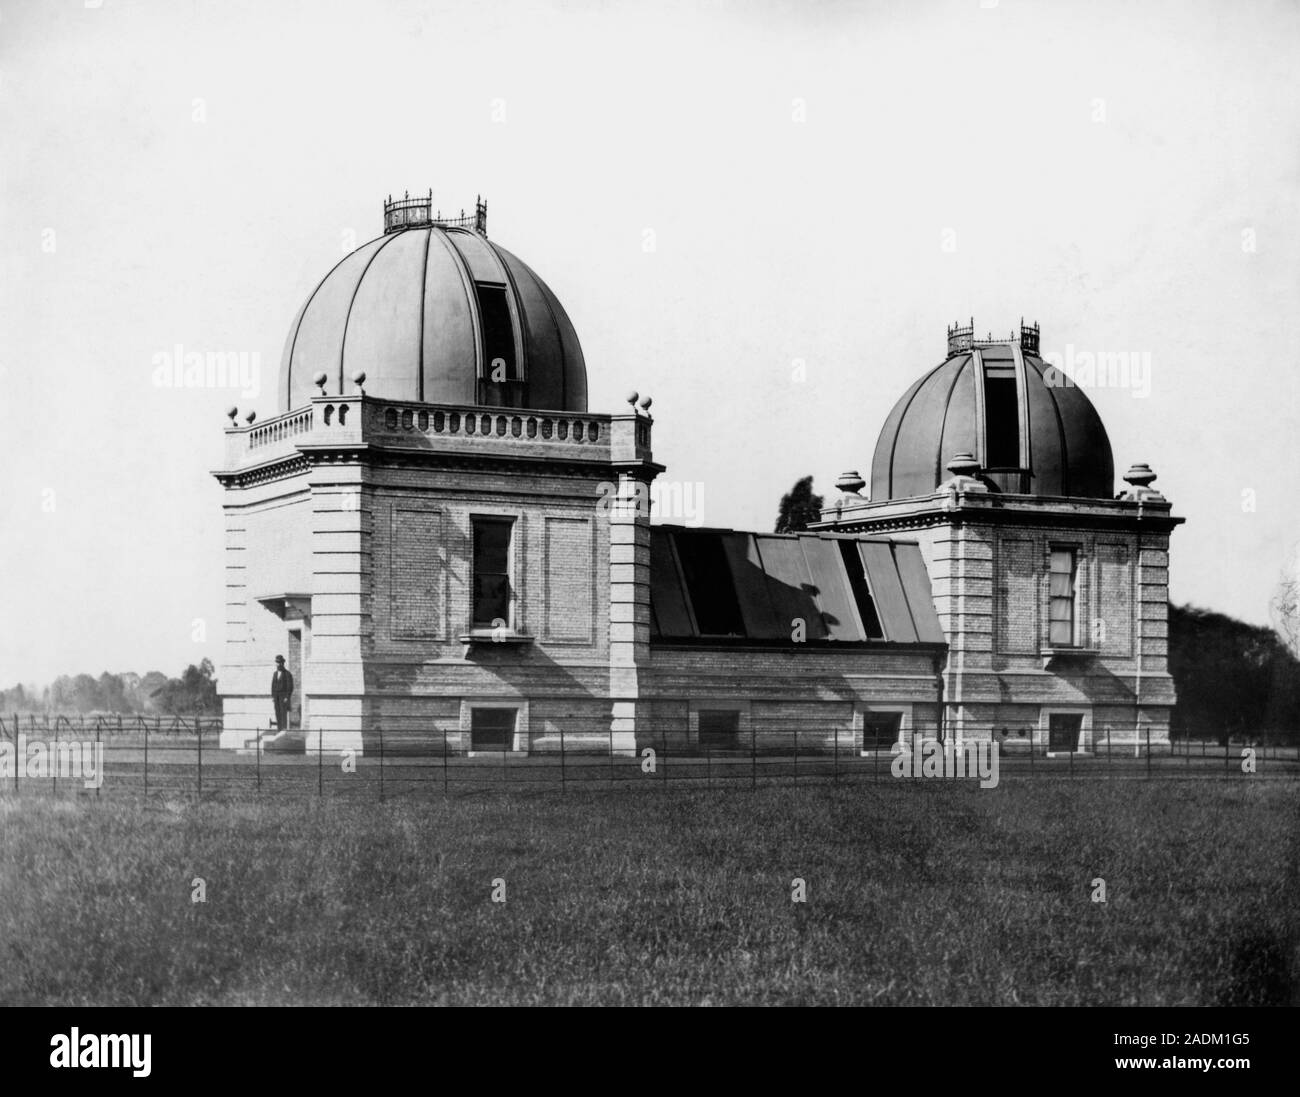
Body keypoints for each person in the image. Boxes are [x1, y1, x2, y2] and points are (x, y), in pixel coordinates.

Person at [271, 655, 294, 732]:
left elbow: (290, 687)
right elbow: (273, 685)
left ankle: (283, 731)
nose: (277, 664)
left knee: (283, 714)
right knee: (277, 713)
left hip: (283, 697)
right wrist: (273, 696)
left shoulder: (287, 674)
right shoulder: (275, 674)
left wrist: (287, 697)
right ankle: (279, 730)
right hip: (276, 697)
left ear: (282, 663)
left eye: (279, 663)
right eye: (277, 663)